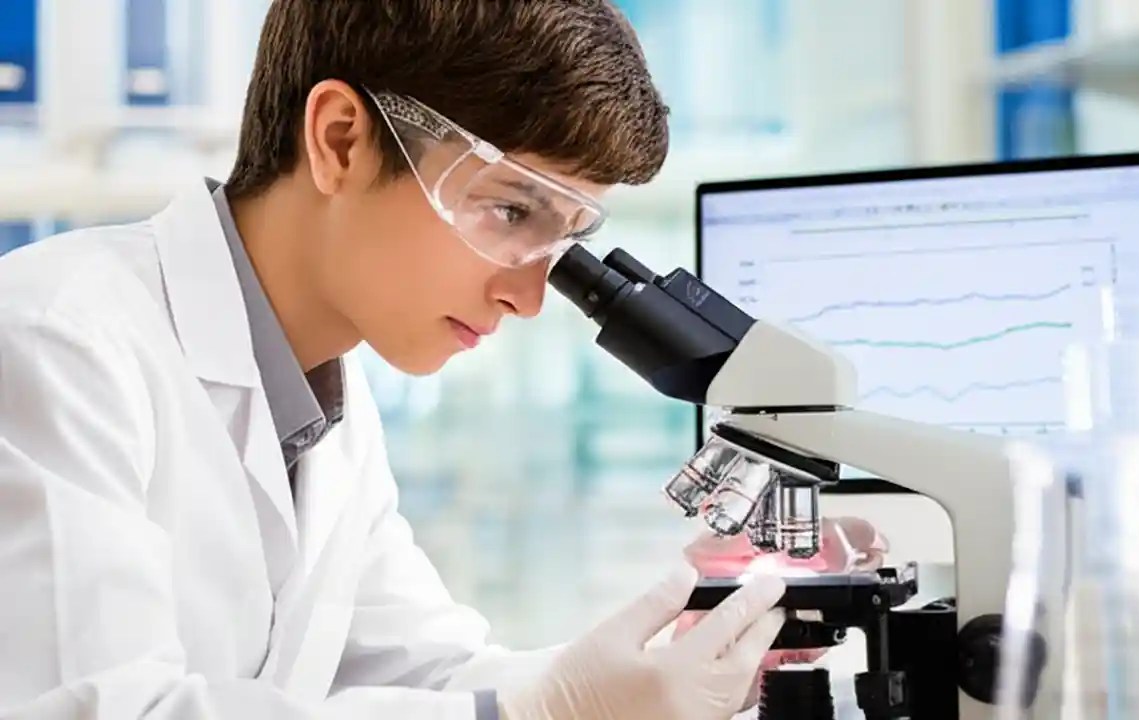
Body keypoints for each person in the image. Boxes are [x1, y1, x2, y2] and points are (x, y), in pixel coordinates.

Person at [0, 2, 802, 719]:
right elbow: (101, 708)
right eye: (510, 209)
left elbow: (432, 674)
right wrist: (550, 717)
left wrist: (678, 658)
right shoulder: (57, 337)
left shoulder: (324, 406)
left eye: (563, 241)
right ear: (340, 140)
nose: (527, 299)